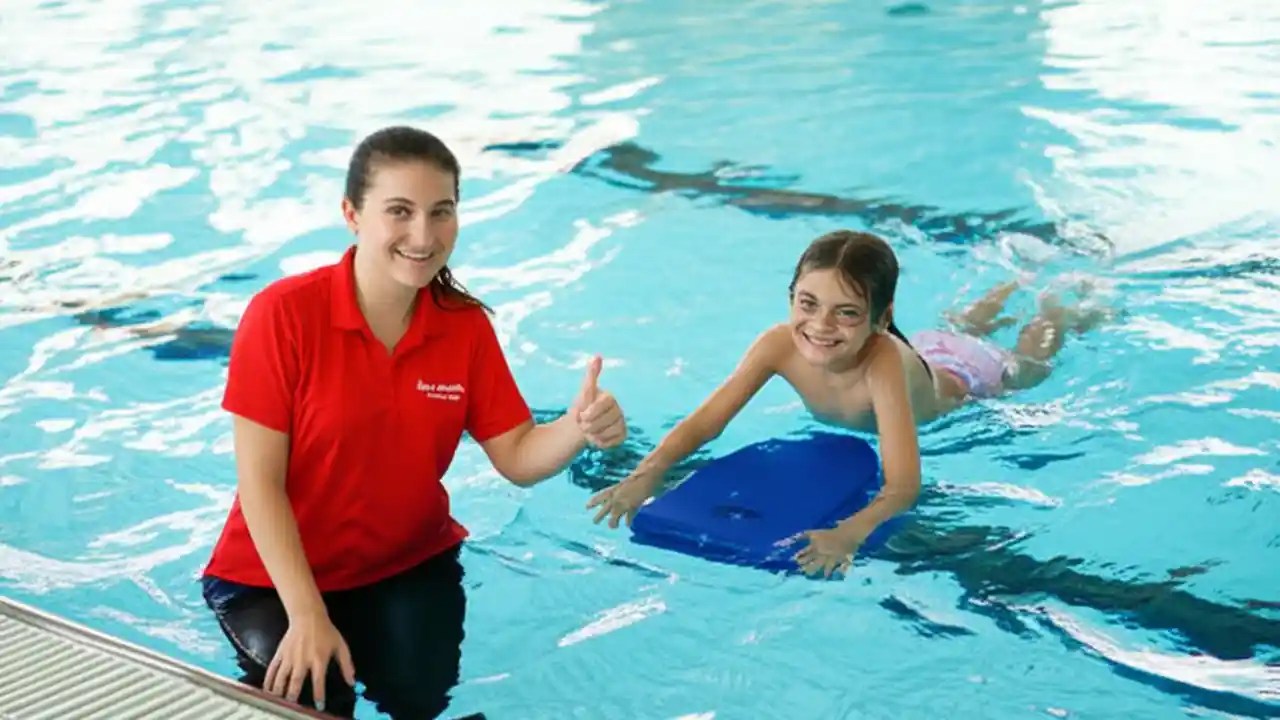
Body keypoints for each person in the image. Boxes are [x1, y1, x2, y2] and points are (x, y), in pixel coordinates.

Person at [200, 125, 628, 719]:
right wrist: (307, 614)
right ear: (352, 214)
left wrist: (579, 427)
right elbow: (260, 484)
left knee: (420, 701)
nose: (423, 236)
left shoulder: (463, 326)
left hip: (406, 564)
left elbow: (518, 456)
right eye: (399, 211)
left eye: (441, 212)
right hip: (269, 579)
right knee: (316, 699)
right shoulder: (283, 316)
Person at [587, 229, 1104, 578]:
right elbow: (704, 425)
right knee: (958, 326)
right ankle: (1019, 278)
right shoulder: (777, 345)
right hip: (930, 348)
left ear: (881, 319)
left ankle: (1062, 302)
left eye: (846, 313)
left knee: (1029, 360)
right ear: (791, 297)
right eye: (807, 304)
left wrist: (849, 534)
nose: (820, 326)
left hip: (974, 379)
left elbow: (903, 484)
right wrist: (647, 473)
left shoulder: (882, 363)